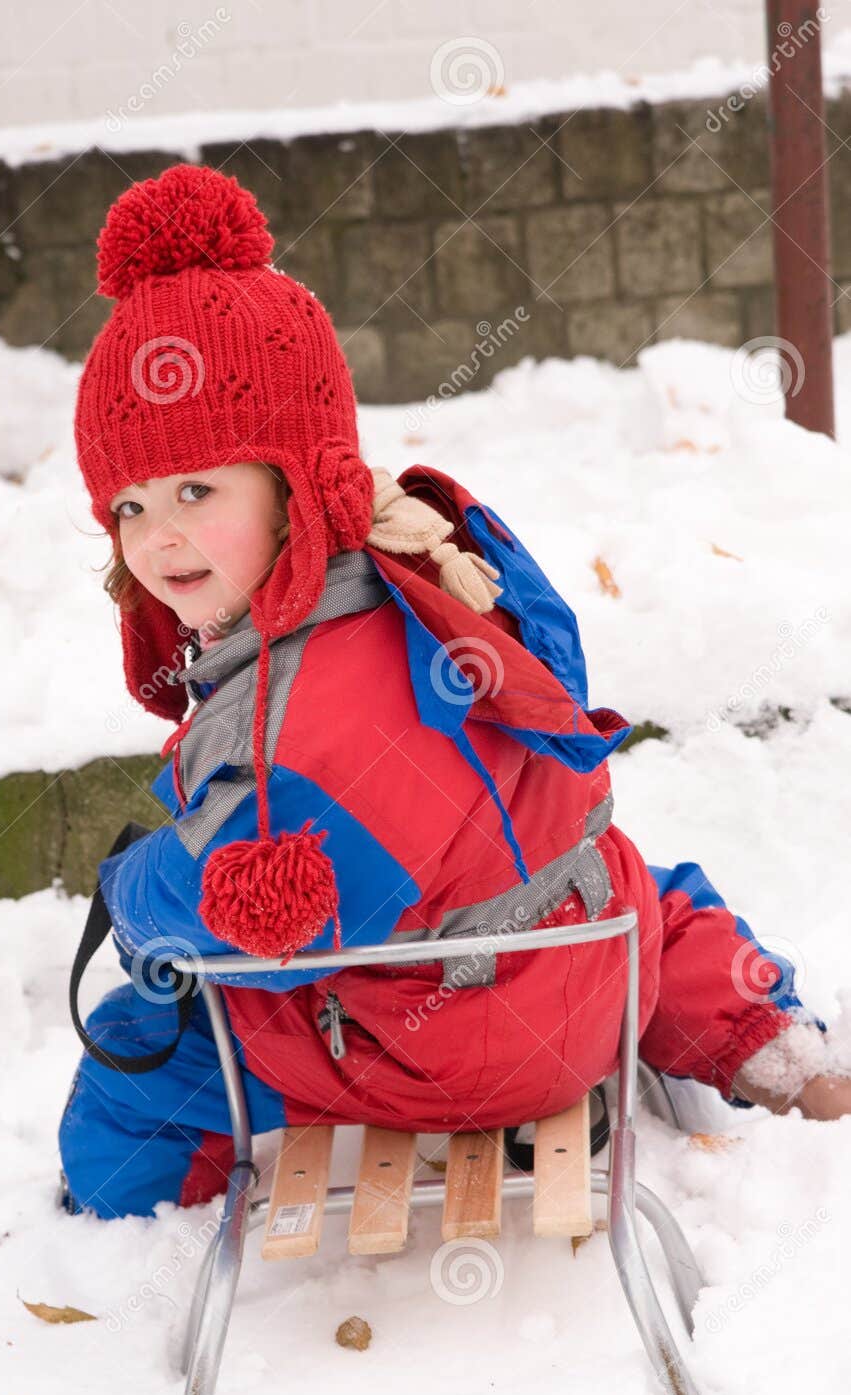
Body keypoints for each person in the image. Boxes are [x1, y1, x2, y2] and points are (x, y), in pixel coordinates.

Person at [58, 162, 849, 1222]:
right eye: (128, 504)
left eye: (199, 489)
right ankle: (770, 1040)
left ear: (294, 478)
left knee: (144, 1034)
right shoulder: (439, 570)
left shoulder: (283, 720)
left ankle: (121, 1214)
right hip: (589, 963)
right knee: (640, 892)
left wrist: (135, 885)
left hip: (450, 1056)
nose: (159, 536)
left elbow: (249, 923)